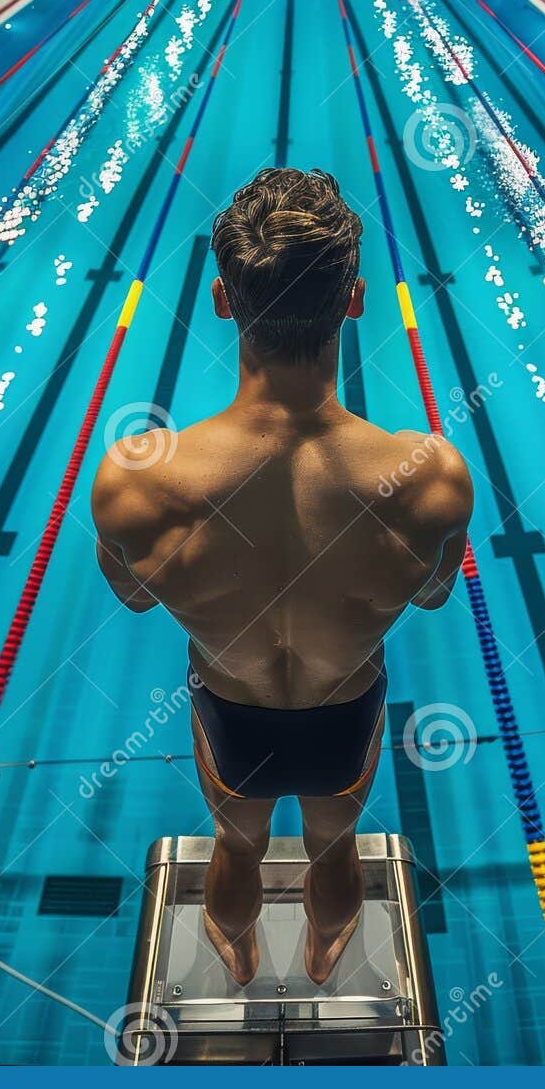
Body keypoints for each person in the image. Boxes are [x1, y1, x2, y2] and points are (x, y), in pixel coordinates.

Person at [92, 169, 473, 988]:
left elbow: (130, 595)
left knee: (237, 843)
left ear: (224, 301)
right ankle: (324, 952)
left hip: (232, 714)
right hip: (345, 710)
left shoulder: (135, 479)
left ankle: (235, 957)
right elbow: (436, 593)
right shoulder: (430, 476)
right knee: (335, 845)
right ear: (356, 300)